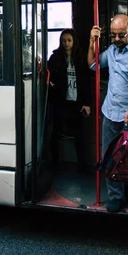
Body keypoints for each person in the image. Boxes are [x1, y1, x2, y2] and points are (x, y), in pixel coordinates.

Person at [88, 14, 128, 212]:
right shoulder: (112, 50)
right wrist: (92, 42)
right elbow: (93, 65)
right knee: (110, 156)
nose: (116, 39)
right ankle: (116, 197)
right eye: (114, 35)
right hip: (110, 111)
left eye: (121, 35)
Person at [48, 29, 91, 173]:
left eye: (69, 40)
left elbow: (86, 81)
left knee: (80, 135)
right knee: (56, 133)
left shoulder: (81, 57)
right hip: (61, 101)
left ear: (74, 41)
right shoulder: (55, 58)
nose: (66, 43)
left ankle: (82, 166)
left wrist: (87, 103)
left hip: (77, 102)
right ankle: (55, 164)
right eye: (64, 40)